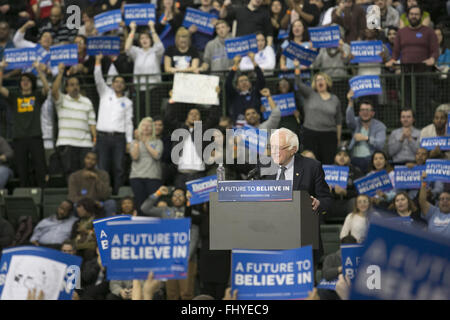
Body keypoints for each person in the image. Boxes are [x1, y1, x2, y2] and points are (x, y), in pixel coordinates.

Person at [266, 128, 333, 269]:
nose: (275, 152)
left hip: (303, 240)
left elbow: (327, 199)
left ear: (293, 149)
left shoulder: (312, 167)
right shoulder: (264, 167)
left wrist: (319, 203)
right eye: (272, 148)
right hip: (271, 239)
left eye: (280, 148)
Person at [141, 186, 200, 300]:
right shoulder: (165, 211)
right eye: (175, 195)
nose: (177, 197)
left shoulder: (192, 212)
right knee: (171, 294)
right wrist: (157, 193)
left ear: (185, 198)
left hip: (187, 259)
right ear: (171, 198)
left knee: (186, 294)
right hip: (169, 259)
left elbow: (194, 235)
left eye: (180, 195)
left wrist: (187, 256)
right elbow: (145, 208)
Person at [0, 60, 49, 187]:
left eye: (28, 80)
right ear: (20, 84)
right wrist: (1, 69)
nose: (25, 82)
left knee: (40, 167)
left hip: (35, 137)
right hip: (19, 138)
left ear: (32, 83)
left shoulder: (37, 95)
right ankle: (24, 194)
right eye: (22, 80)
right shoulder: (15, 97)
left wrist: (39, 70)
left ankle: (42, 194)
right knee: (22, 169)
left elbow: (46, 88)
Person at [385, 5, 439, 117]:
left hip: (423, 72)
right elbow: (396, 51)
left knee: (423, 101)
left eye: (416, 14)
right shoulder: (401, 32)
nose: (414, 16)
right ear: (408, 16)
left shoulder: (428, 32)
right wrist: (393, 60)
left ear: (420, 16)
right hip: (406, 73)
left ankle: (422, 126)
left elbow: (435, 50)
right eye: (412, 14)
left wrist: (432, 59)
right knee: (407, 101)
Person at [94, 54, 133, 195]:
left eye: (121, 83)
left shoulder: (128, 102)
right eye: (116, 82)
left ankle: (117, 194)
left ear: (124, 86)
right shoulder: (105, 93)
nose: (118, 84)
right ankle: (104, 194)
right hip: (103, 137)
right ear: (112, 83)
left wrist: (129, 141)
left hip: (119, 138)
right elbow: (98, 79)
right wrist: (98, 62)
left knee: (119, 167)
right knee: (103, 168)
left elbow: (128, 123)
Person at [52, 63, 97, 179]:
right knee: (71, 176)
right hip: (67, 143)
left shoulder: (87, 101)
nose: (75, 87)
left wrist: (95, 137)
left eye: (77, 84)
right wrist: (60, 73)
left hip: (85, 144)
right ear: (66, 88)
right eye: (71, 85)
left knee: (86, 175)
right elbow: (54, 91)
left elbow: (92, 122)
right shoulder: (61, 100)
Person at [294, 61, 342, 165]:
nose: (319, 81)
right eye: (317, 80)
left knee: (328, 163)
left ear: (327, 82)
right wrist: (297, 67)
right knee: (311, 164)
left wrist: (338, 137)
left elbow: (338, 120)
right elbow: (298, 83)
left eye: (322, 79)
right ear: (314, 84)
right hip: (311, 134)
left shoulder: (335, 99)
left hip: (329, 135)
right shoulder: (310, 94)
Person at [165, 102, 220, 189]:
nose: (194, 116)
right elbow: (169, 118)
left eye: (197, 114)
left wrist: (215, 98)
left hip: (198, 173)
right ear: (187, 117)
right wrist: (171, 102)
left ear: (200, 118)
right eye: (191, 114)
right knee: (180, 200)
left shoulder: (203, 130)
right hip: (181, 173)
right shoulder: (180, 129)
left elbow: (214, 117)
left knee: (197, 202)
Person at [125, 21, 164, 120]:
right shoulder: (137, 52)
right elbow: (127, 48)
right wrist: (132, 30)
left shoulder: (155, 51)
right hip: (139, 90)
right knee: (139, 115)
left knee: (153, 116)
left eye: (146, 38)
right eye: (142, 38)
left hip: (154, 90)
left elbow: (160, 46)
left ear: (150, 40)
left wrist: (152, 28)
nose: (144, 40)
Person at [346, 92, 387, 174]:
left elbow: (380, 144)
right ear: (359, 113)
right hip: (354, 159)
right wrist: (350, 101)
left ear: (373, 113)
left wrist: (366, 138)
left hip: (371, 160)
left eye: (368, 110)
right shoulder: (356, 122)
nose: (365, 112)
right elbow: (349, 120)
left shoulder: (380, 126)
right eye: (362, 110)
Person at [130, 117, 163, 215]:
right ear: (140, 127)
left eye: (149, 126)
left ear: (153, 129)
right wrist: (137, 142)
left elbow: (156, 155)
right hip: (136, 177)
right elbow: (135, 157)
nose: (146, 127)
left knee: (153, 204)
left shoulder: (158, 142)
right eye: (144, 125)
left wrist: (145, 142)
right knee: (140, 205)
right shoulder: (134, 142)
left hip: (153, 177)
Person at [68, 151, 116, 217]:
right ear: (84, 159)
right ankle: (79, 225)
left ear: (97, 162)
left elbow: (105, 195)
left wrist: (97, 179)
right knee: (76, 205)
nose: (90, 161)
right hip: (83, 204)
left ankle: (108, 226)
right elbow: (72, 197)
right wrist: (91, 202)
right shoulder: (74, 176)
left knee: (111, 203)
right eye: (88, 158)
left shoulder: (103, 174)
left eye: (93, 159)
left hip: (99, 203)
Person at [326, 147, 364, 223]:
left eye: (345, 155)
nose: (342, 157)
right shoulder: (326, 171)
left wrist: (346, 193)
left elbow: (360, 192)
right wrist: (327, 190)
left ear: (349, 158)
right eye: (339, 154)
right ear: (335, 157)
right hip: (331, 201)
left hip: (348, 201)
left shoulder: (356, 171)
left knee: (355, 201)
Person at [225, 53, 265, 122]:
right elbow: (227, 84)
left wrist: (253, 61)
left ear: (250, 84)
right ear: (237, 86)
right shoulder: (234, 95)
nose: (244, 82)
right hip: (240, 128)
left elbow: (261, 80)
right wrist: (235, 65)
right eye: (241, 81)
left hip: (257, 125)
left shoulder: (255, 93)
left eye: (246, 80)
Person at [419, 173, 450, 237]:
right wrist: (424, 182)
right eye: (442, 199)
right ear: (438, 203)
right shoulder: (433, 212)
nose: (445, 201)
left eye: (448, 199)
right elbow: (422, 201)